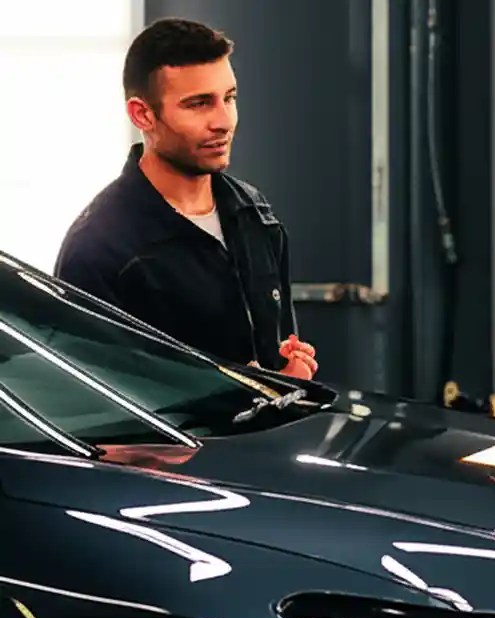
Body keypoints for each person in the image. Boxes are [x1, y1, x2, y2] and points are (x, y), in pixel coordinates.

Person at [54, 18, 317, 380]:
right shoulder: (98, 250)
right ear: (143, 114)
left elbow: (276, 364)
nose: (223, 121)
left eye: (229, 98)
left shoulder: (255, 214)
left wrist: (290, 376)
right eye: (198, 104)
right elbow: (92, 400)